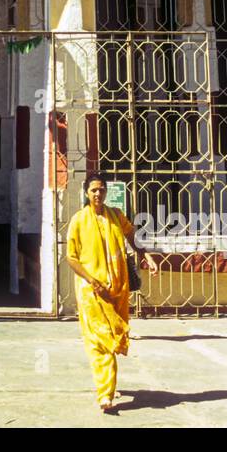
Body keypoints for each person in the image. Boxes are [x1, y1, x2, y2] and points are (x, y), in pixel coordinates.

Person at [66, 175, 159, 414]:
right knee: (99, 342)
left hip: (117, 289)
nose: (98, 194)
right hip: (90, 291)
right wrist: (90, 280)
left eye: (102, 190)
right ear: (87, 193)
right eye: (94, 190)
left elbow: (131, 237)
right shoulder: (78, 221)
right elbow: (71, 257)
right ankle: (105, 394)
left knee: (113, 338)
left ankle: (108, 385)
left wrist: (145, 254)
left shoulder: (116, 216)